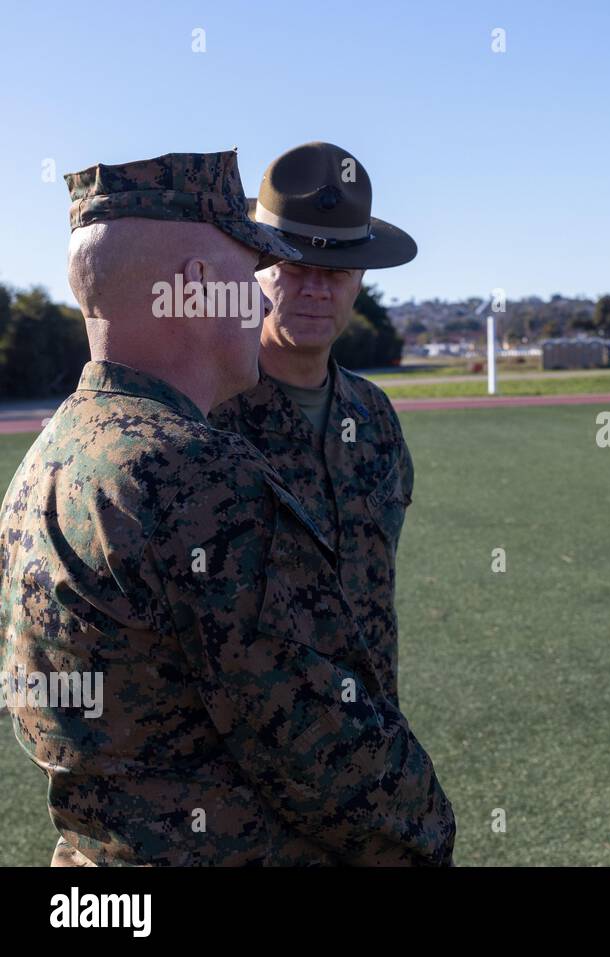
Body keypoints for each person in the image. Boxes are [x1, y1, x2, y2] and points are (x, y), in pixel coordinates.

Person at [0, 151, 455, 866]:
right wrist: (420, 832)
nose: (298, 287)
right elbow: (304, 727)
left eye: (337, 267)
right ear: (201, 286)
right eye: (269, 266)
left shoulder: (59, 450)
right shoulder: (194, 459)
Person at [209, 142, 417, 706]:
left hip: (371, 745)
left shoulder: (374, 416)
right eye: (296, 267)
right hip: (249, 767)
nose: (317, 289)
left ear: (361, 282)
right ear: (257, 269)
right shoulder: (206, 418)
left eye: (338, 271)